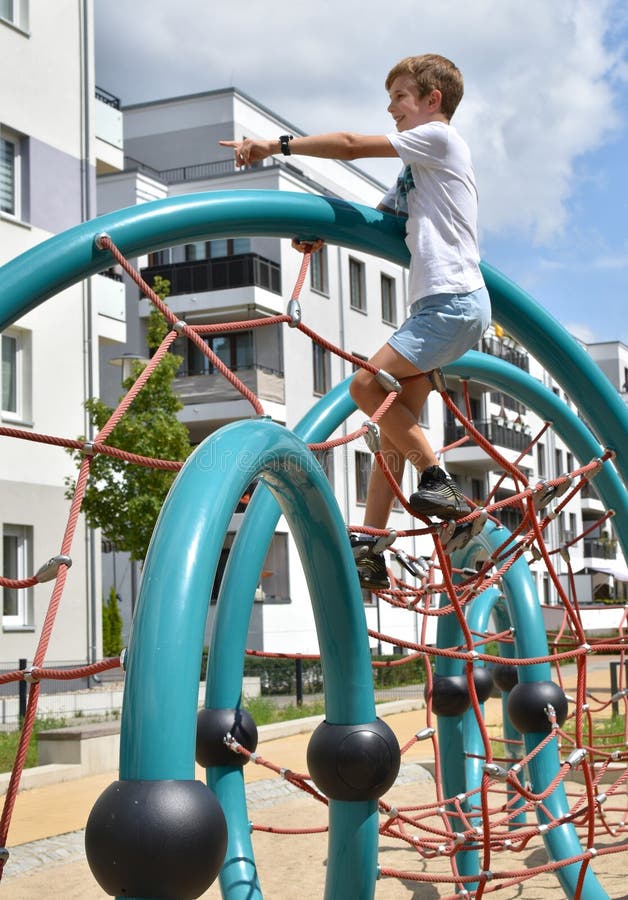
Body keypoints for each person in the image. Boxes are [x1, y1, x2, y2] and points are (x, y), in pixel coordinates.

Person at [220, 53, 491, 590]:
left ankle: (441, 485)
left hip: (453, 300)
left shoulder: (440, 140)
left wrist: (274, 146)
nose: (390, 109)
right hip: (443, 308)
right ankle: (370, 543)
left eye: (400, 97)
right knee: (391, 425)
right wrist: (323, 233)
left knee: (365, 384)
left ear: (432, 100)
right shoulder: (417, 171)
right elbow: (380, 220)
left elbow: (347, 145)